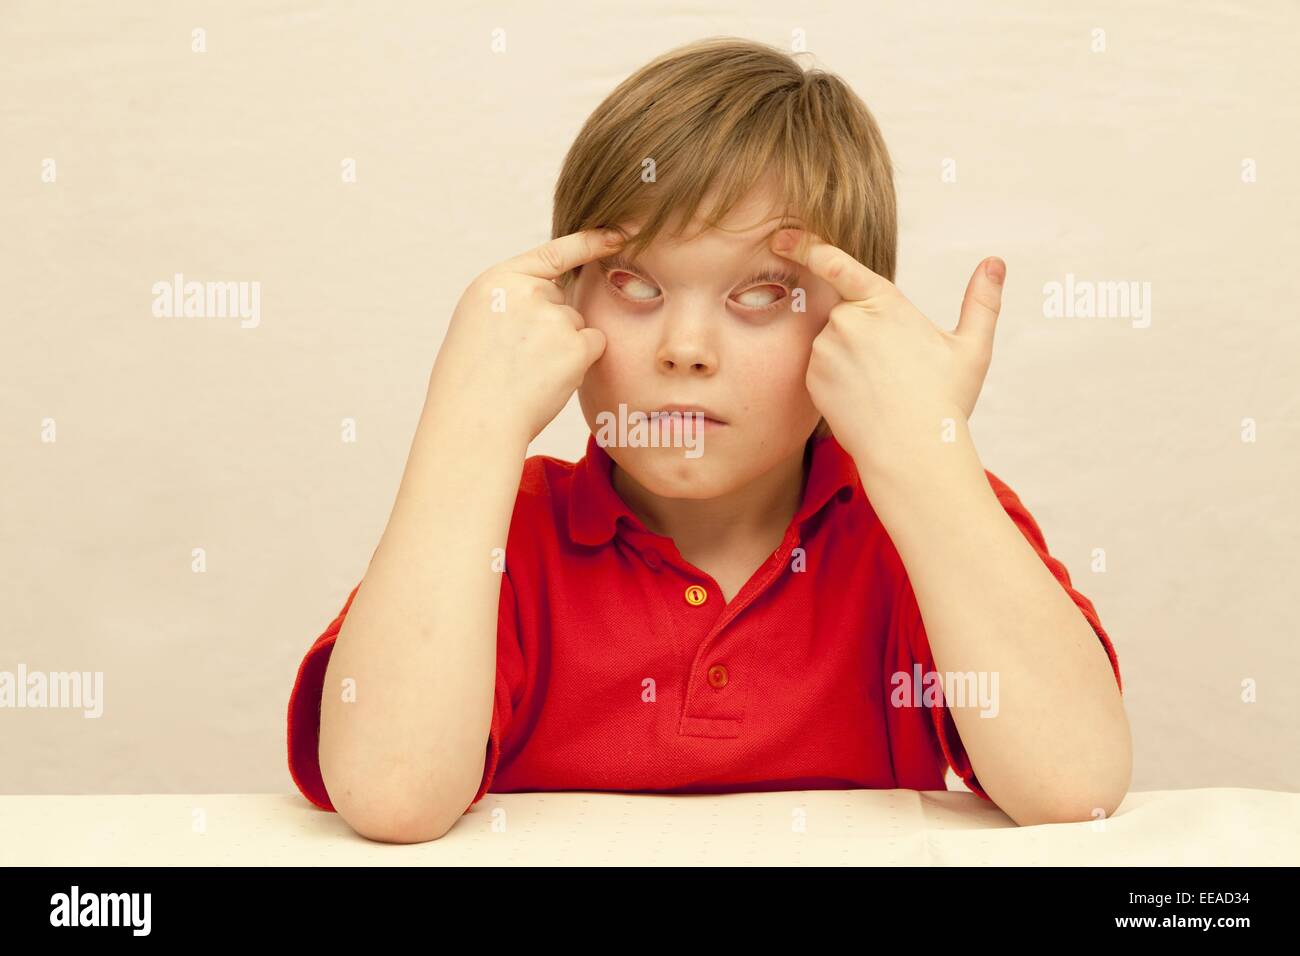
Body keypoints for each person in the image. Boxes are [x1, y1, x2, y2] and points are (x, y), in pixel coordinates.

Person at [287, 36, 1128, 843]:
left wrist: (928, 451)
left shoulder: (914, 516)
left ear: (852, 332)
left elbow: (1074, 786)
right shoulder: (496, 527)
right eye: (634, 283)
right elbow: (390, 792)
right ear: (567, 300)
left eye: (763, 295)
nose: (685, 348)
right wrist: (465, 429)